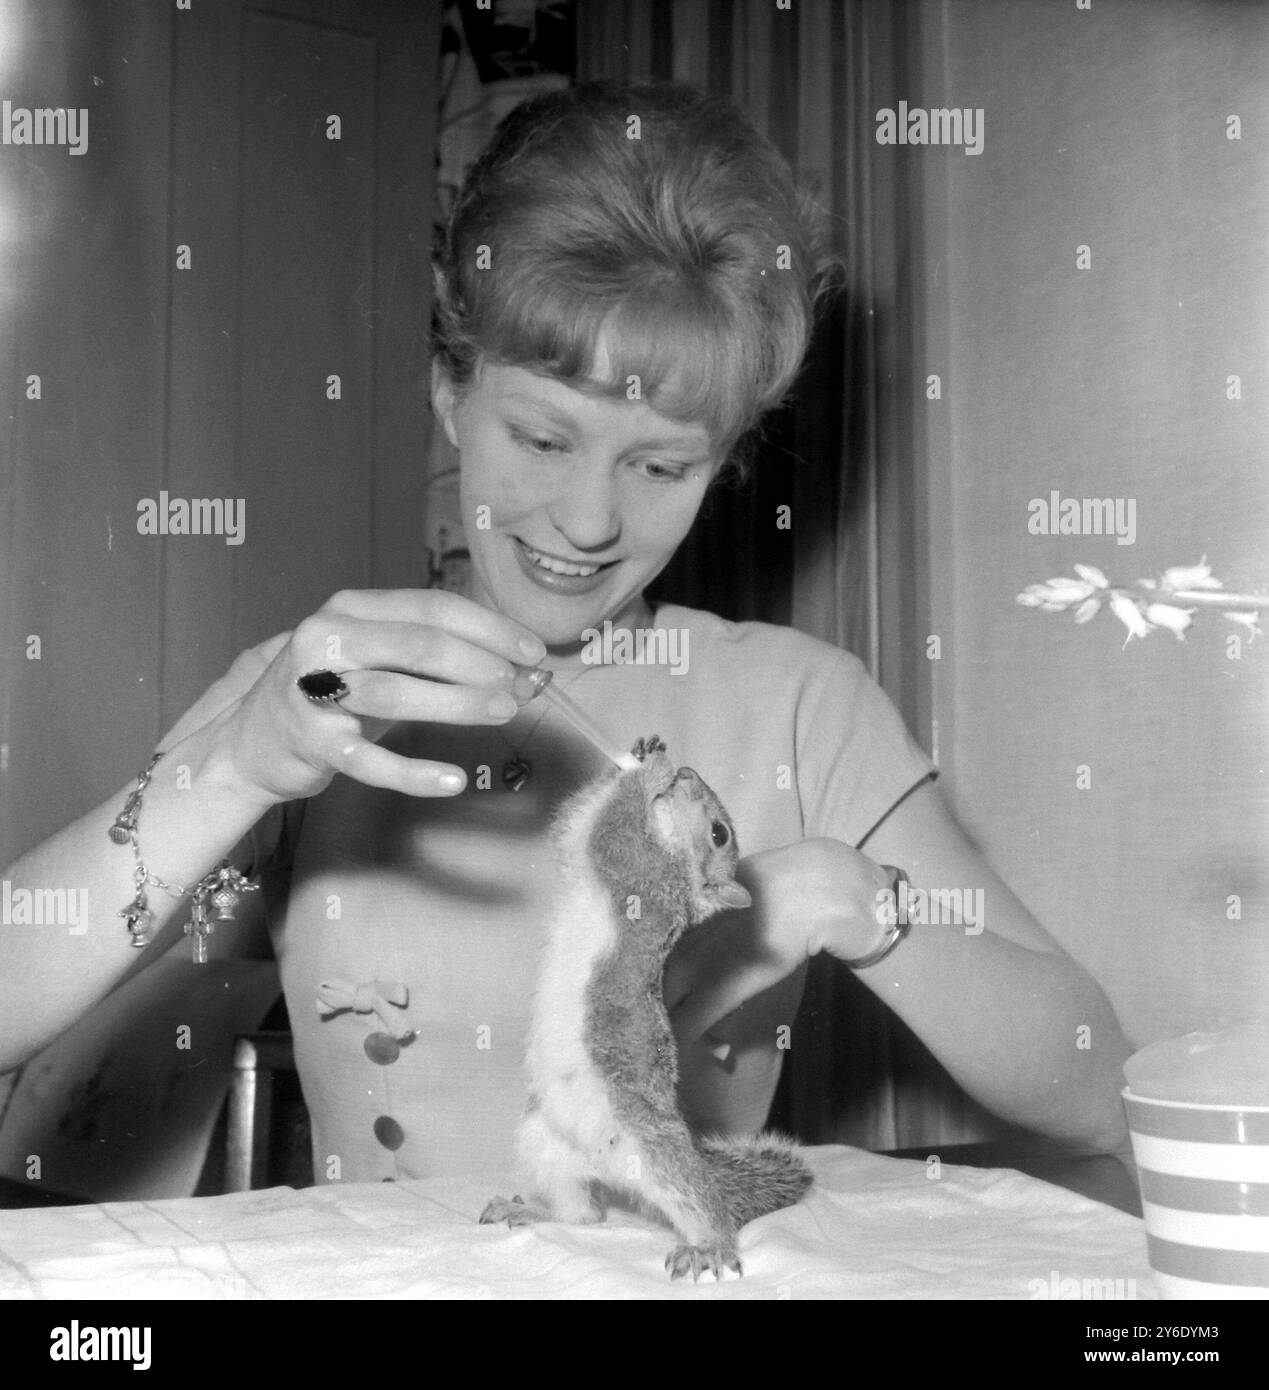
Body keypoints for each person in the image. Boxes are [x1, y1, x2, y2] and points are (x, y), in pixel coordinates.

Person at [0, 81, 1132, 1187]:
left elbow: (1094, 1092)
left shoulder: (803, 706)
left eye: (660, 466)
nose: (590, 522)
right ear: (450, 389)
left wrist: (845, 901)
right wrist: (239, 762)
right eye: (544, 441)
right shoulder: (324, 689)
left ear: (728, 460)